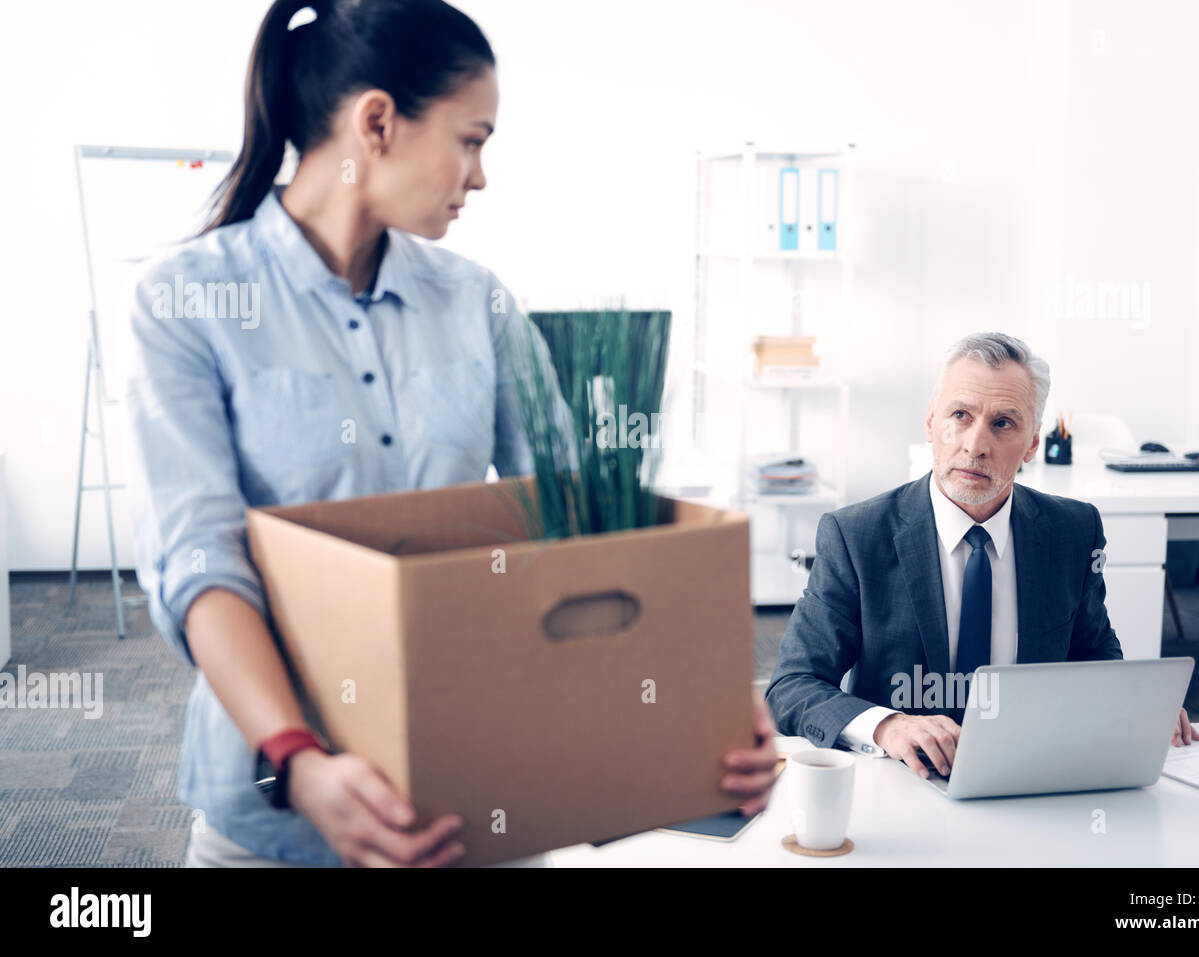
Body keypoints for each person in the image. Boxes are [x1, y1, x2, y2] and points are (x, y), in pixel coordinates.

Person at [124, 0, 778, 867]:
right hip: (278, 813)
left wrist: (710, 703)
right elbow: (201, 561)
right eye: (472, 140)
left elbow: (581, 525)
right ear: (379, 122)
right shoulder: (187, 300)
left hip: (478, 794)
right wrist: (302, 761)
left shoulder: (477, 302)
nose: (480, 177)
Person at [765, 332, 1199, 780]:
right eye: (960, 415)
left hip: (1034, 776)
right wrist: (888, 726)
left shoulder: (1073, 531)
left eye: (1003, 423)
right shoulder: (856, 536)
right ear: (932, 421)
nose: (975, 445)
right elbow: (792, 687)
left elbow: (1093, 653)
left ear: (1032, 443)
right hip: (907, 782)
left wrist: (1136, 703)